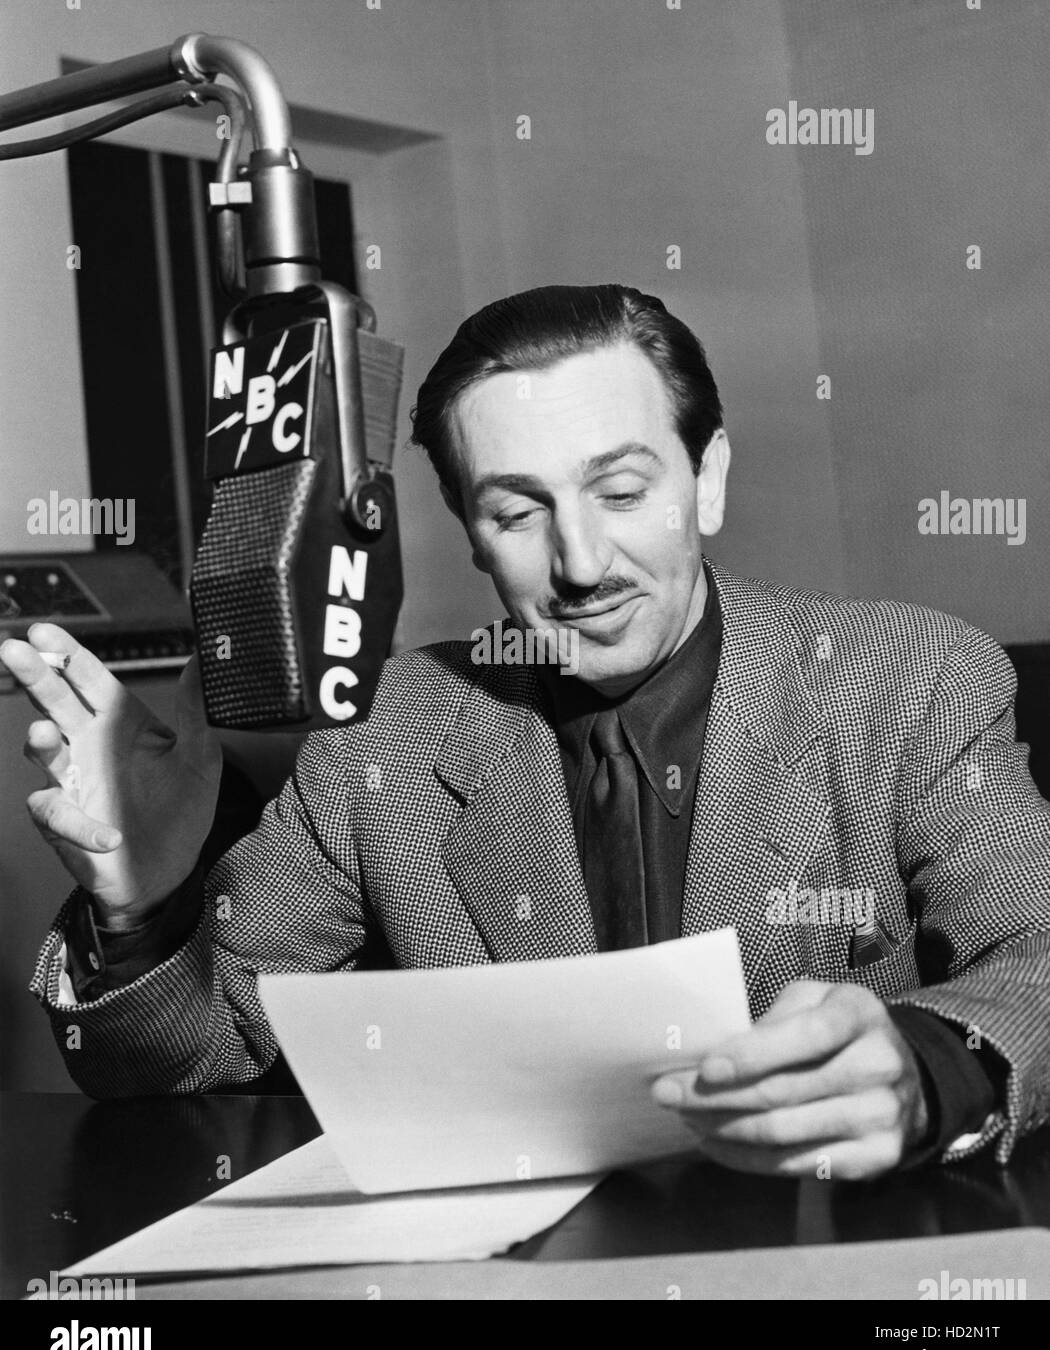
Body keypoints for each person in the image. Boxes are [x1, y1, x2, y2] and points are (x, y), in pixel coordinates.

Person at [5, 284, 1050, 1181]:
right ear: (470, 537)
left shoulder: (912, 678)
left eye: (623, 490)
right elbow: (195, 1051)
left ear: (710, 478)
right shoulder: (383, 737)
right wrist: (139, 900)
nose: (582, 561)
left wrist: (929, 1068)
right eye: (518, 513)